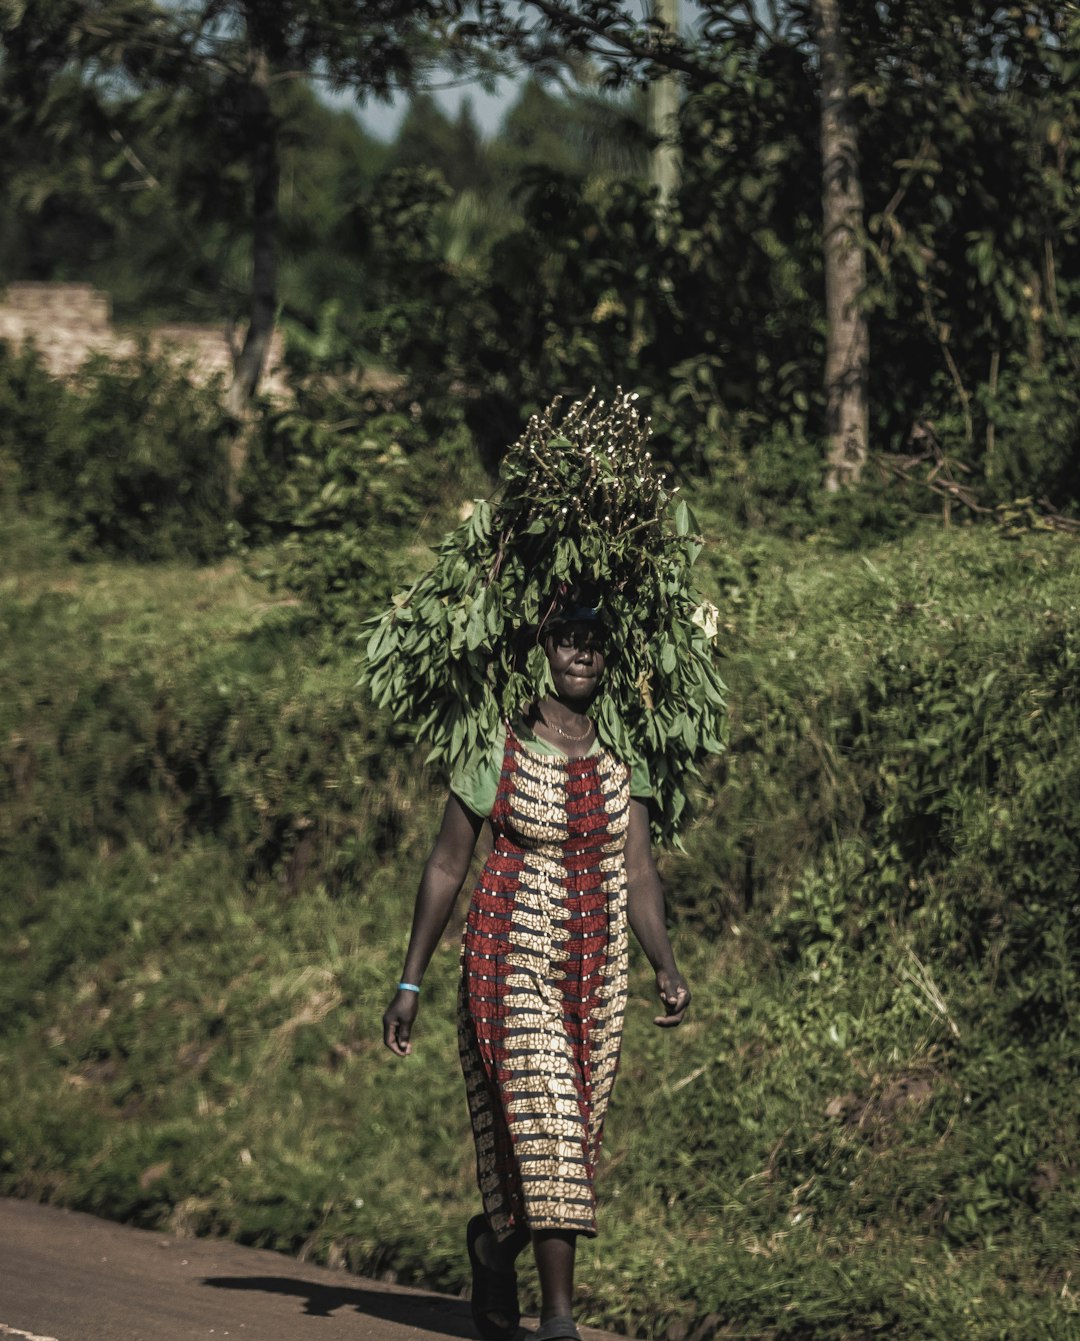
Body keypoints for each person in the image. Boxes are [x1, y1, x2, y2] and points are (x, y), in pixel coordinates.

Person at [382, 599, 691, 1341]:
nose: (582, 655)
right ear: (544, 648)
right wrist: (410, 980)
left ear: (609, 658)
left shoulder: (625, 751)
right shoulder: (498, 742)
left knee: (566, 1143)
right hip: (508, 952)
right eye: (568, 640)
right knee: (550, 1122)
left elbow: (640, 870)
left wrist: (666, 966)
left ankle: (492, 1248)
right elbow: (448, 861)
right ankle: (558, 1320)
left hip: (598, 965)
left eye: (595, 643)